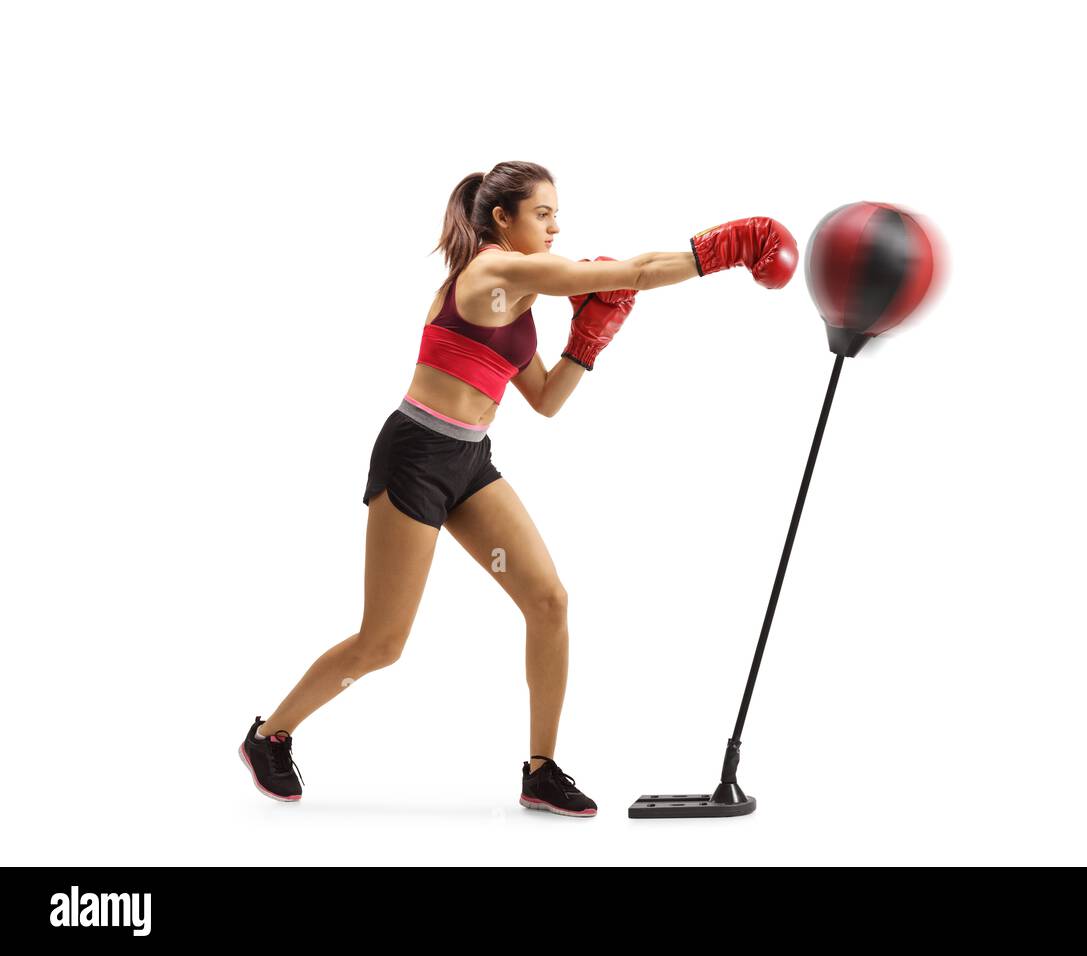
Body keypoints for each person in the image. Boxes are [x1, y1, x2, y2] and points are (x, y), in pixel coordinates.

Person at [237, 160, 797, 817]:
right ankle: (270, 734)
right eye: (543, 213)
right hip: (416, 456)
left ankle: (541, 769)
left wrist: (588, 343)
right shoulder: (494, 271)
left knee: (548, 600)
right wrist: (729, 249)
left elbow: (546, 399)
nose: (556, 226)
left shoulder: (518, 302)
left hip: (468, 463)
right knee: (382, 644)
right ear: (502, 220)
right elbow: (636, 270)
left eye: (558, 213)